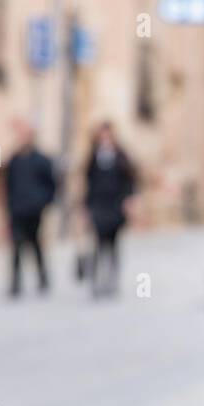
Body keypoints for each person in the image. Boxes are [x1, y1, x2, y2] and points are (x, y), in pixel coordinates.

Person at [2, 120, 56, 298]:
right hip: (17, 209)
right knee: (16, 246)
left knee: (35, 244)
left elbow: (52, 184)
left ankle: (42, 278)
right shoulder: (14, 159)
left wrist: (43, 202)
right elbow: (7, 184)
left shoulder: (42, 160)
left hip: (34, 209)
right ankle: (16, 283)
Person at [82, 122, 137, 299]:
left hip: (115, 205)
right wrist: (86, 206)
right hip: (99, 205)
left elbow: (130, 180)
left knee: (113, 244)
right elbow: (88, 183)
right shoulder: (94, 157)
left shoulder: (121, 157)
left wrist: (128, 200)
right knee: (98, 243)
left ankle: (112, 279)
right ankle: (96, 279)